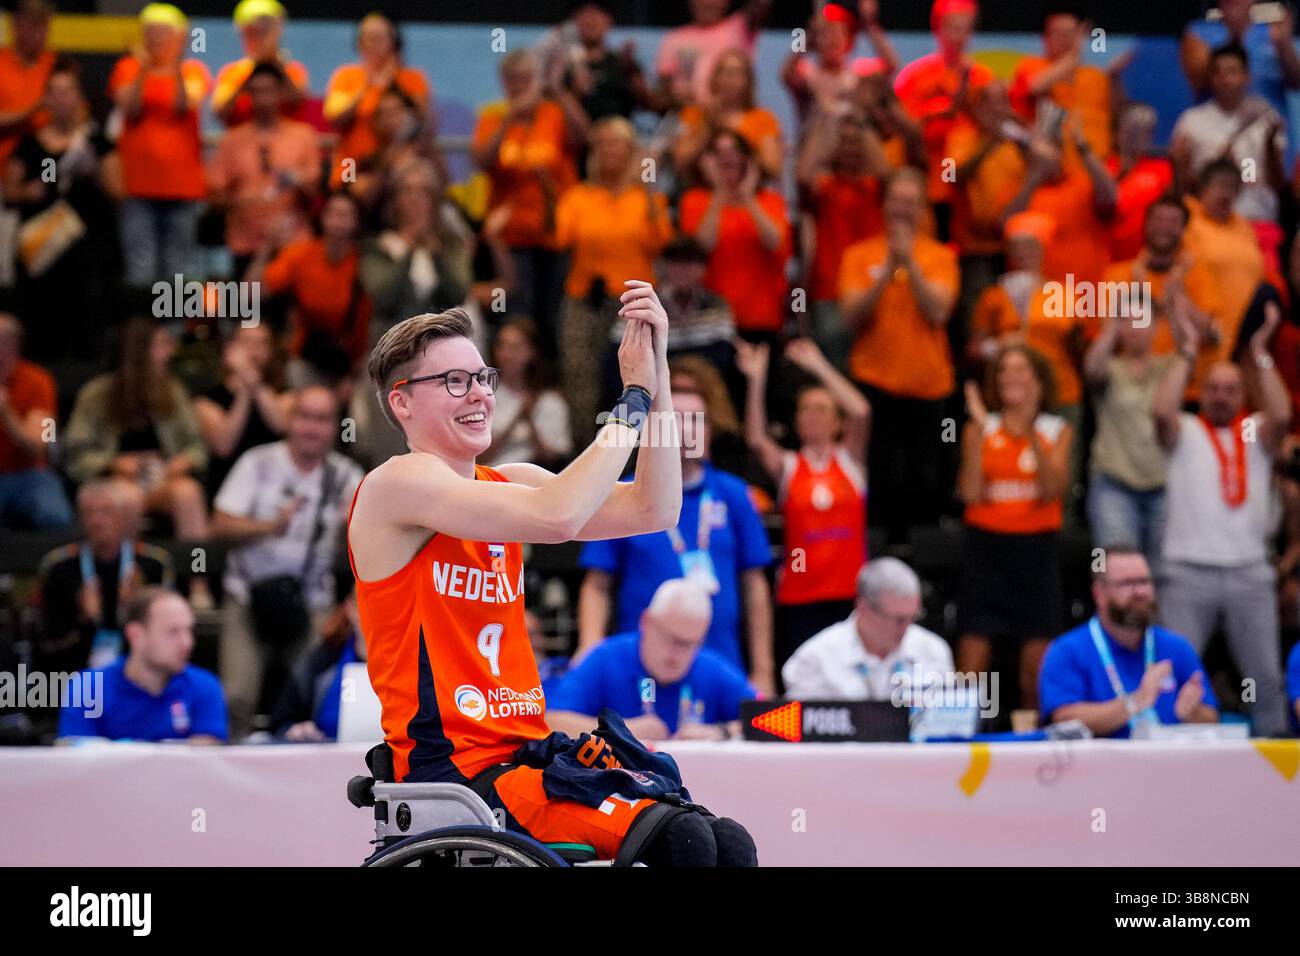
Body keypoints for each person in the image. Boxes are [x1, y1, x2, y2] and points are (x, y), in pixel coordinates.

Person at [348, 290, 756, 865]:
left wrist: (657, 377)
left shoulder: (507, 478)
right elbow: (558, 517)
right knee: (683, 842)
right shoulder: (397, 485)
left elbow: (655, 509)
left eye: (483, 378)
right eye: (455, 382)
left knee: (725, 842)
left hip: (528, 754)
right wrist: (631, 402)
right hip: (459, 770)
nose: (480, 395)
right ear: (404, 402)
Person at [577, 377, 775, 693]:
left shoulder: (735, 495)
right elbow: (598, 583)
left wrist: (763, 670)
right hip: (640, 670)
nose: (686, 430)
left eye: (697, 421)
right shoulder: (622, 492)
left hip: (721, 668)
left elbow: (755, 588)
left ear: (710, 431)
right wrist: (588, 648)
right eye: (675, 420)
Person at [1152, 301, 1290, 736]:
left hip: (1249, 570)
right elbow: (1159, 411)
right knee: (1174, 678)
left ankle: (1278, 776)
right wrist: (1187, 352)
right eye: (1213, 388)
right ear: (1201, 391)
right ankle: (1164, 765)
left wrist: (1260, 352)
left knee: (1264, 679)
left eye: (1231, 389)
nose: (1222, 396)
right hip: (1187, 571)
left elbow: (1283, 415)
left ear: (1243, 395)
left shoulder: (1255, 432)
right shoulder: (1186, 430)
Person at [211, 384, 364, 740]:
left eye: (323, 419)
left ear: (334, 427)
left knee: (311, 695)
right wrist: (271, 525)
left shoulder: (345, 475)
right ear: (289, 420)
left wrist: (349, 527)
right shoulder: (258, 462)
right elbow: (218, 525)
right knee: (237, 697)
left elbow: (369, 544)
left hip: (312, 597)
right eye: (304, 417)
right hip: (248, 594)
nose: (312, 427)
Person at [737, 337, 869, 674]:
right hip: (799, 597)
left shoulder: (850, 462)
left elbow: (860, 410)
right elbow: (755, 438)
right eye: (805, 409)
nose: (812, 416)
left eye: (821, 408)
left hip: (849, 596)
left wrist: (817, 365)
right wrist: (756, 378)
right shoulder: (790, 466)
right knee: (803, 683)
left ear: (837, 422)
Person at [840, 167, 958, 542]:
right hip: (874, 381)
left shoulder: (939, 256)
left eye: (912, 201)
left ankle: (923, 564)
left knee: (925, 476)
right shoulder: (860, 254)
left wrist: (911, 263)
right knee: (879, 472)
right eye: (897, 199)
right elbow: (851, 315)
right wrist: (888, 268)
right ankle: (876, 553)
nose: (903, 208)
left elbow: (938, 311)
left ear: (923, 206)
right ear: (885, 204)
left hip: (928, 384)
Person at [957, 344, 1072, 714]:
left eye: (1021, 369)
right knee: (971, 674)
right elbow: (971, 493)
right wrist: (978, 428)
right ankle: (961, 748)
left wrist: (1030, 429)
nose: (1011, 377)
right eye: (1005, 370)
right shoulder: (979, 427)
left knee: (1032, 679)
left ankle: (1033, 753)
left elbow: (1052, 488)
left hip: (1036, 554)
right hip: (986, 551)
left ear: (1038, 381)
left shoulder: (1056, 430)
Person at [555, 116, 671, 447]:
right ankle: (582, 456)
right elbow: (560, 238)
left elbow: (660, 241)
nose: (609, 150)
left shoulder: (646, 199)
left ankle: (633, 459)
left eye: (617, 142)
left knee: (634, 381)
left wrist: (648, 188)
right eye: (603, 142)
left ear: (631, 149)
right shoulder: (579, 196)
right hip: (585, 301)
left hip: (634, 306)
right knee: (580, 381)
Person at [4, 59, 118, 368]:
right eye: (54, 91)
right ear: (46, 99)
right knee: (40, 325)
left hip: (86, 253)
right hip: (42, 253)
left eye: (67, 91)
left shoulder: (95, 142)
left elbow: (119, 190)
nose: (61, 98)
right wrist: (29, 192)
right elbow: (9, 190)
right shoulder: (30, 144)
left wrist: (92, 171)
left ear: (79, 96)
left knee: (86, 325)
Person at [1039, 546, 1219, 738]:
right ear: (1099, 593)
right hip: (1100, 765)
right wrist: (1135, 701)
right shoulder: (1067, 651)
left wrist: (1192, 713)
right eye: (1127, 583)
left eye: (1144, 581)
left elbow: (1212, 717)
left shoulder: (1176, 647)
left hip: (1167, 762)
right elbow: (1064, 719)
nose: (1140, 592)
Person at [548, 578, 754, 741]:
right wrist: (621, 731)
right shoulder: (605, 660)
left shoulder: (711, 669)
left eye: (689, 644)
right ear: (646, 622)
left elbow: (780, 718)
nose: (677, 654)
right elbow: (550, 723)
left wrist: (722, 731)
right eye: (670, 639)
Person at [470, 49, 582, 348]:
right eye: (512, 80)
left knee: (555, 317)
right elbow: (481, 159)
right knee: (515, 316)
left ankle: (547, 384)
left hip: (556, 233)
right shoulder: (493, 118)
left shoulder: (553, 114)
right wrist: (509, 118)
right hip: (511, 236)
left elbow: (584, 139)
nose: (519, 86)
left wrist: (557, 91)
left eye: (525, 79)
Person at [63, 319, 209, 541]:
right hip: (113, 482)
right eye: (161, 345)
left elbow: (196, 445)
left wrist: (184, 461)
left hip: (163, 478)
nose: (170, 352)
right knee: (128, 498)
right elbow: (74, 454)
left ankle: (198, 573)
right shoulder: (96, 395)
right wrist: (112, 464)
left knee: (188, 493)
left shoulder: (173, 391)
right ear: (139, 351)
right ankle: (130, 573)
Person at [109, 3, 211, 289]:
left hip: (182, 188)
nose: (156, 39)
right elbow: (129, 107)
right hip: (138, 186)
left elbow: (184, 103)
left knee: (177, 268)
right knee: (140, 266)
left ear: (178, 37)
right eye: (150, 33)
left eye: (164, 33)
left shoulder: (192, 70)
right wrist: (144, 67)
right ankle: (142, 332)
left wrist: (175, 61)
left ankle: (172, 332)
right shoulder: (128, 68)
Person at [57, 587, 227, 743]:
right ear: (136, 635)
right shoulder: (89, 687)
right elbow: (75, 760)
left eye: (189, 630)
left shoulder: (205, 686)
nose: (187, 643)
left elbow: (205, 762)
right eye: (173, 632)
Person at [1171, 42, 1286, 266]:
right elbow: (1185, 187)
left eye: (1232, 71)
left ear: (1247, 76)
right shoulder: (1191, 121)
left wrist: (1269, 149)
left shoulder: (1266, 116)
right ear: (1211, 78)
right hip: (1209, 229)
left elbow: (1276, 183)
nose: (1224, 78)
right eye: (1218, 72)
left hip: (1257, 222)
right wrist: (1190, 167)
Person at [1082, 305, 1174, 575]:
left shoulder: (1168, 365)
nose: (1134, 327)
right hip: (1113, 484)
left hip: (1162, 484)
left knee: (1160, 574)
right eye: (1127, 320)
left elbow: (1191, 350)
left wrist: (1173, 299)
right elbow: (1091, 370)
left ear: (1156, 326)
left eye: (1141, 320)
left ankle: (1156, 620)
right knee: (1112, 569)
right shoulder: (1110, 368)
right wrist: (1112, 327)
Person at [206, 61, 321, 275]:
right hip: (245, 244)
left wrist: (296, 181)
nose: (263, 99)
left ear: (280, 93)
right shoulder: (232, 140)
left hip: (293, 243)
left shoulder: (304, 136)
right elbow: (214, 197)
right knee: (246, 306)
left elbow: (316, 192)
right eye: (256, 91)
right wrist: (239, 202)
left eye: (269, 91)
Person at [248, 191, 371, 389]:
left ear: (357, 222)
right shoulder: (302, 255)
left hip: (356, 361)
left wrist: (357, 370)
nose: (338, 222)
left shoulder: (367, 262)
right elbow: (253, 292)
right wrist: (267, 248)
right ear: (321, 218)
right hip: (309, 355)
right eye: (333, 213)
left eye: (346, 215)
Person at [783, 558, 954, 700]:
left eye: (913, 617)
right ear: (863, 608)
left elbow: (948, 730)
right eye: (898, 619)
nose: (906, 628)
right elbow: (804, 735)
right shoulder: (814, 660)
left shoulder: (933, 651)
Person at [796, 110, 892, 364]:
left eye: (855, 142)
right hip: (830, 289)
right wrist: (825, 121)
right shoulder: (826, 187)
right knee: (835, 359)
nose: (850, 148)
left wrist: (861, 120)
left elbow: (884, 169)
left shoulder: (874, 187)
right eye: (844, 142)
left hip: (872, 286)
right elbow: (804, 175)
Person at [680, 128, 791, 345]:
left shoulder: (769, 200)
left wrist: (748, 197)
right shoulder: (695, 201)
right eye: (719, 152)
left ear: (747, 159)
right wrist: (718, 193)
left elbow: (774, 242)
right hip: (709, 316)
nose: (727, 157)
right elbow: (701, 248)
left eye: (733, 150)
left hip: (760, 316)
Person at [892, 0, 994, 236]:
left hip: (968, 188)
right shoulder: (914, 76)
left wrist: (969, 109)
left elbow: (992, 129)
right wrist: (937, 112)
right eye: (952, 27)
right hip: (924, 182)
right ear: (938, 28)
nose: (959, 36)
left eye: (965, 28)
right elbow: (901, 127)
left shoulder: (981, 78)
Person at [323, 13, 431, 191]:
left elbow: (425, 122)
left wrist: (394, 81)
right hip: (352, 166)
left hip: (400, 168)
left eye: (380, 37)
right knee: (352, 194)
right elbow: (334, 117)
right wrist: (368, 87)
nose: (374, 43)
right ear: (359, 43)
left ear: (394, 42)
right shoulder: (346, 76)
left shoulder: (412, 79)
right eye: (368, 37)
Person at [193, 322, 290, 502]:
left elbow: (282, 426)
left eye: (262, 343)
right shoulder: (207, 400)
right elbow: (224, 446)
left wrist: (252, 382)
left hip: (275, 489)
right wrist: (245, 392)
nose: (254, 350)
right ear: (230, 350)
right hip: (227, 489)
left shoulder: (285, 395)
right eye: (247, 342)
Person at [1009, 3, 1112, 158]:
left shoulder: (1096, 75)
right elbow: (1036, 86)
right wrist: (1075, 54)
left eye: (1069, 33)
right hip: (1053, 160)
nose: (1064, 39)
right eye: (1057, 33)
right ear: (1045, 36)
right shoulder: (1031, 65)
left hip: (1096, 162)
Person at [0, 313, 71, 529]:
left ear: (12, 344)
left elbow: (39, 445)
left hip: (29, 473)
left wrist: (5, 413)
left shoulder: (38, 381)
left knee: (54, 516)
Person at [672, 47, 785, 182]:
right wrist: (708, 126)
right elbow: (680, 162)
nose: (730, 79)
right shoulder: (694, 114)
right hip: (703, 192)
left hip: (747, 194)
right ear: (714, 78)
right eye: (725, 72)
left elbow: (773, 167)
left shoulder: (763, 118)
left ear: (748, 81)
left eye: (737, 73)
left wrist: (737, 151)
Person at [782, 2, 898, 132]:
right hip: (816, 145)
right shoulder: (807, 73)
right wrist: (807, 37)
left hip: (851, 144)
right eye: (826, 33)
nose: (832, 38)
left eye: (838, 33)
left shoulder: (859, 73)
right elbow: (786, 74)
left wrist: (870, 24)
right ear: (816, 40)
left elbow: (892, 66)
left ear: (848, 39)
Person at [271, 591, 366, 742]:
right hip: (326, 757)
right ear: (350, 609)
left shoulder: (414, 660)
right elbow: (281, 723)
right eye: (370, 605)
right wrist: (296, 730)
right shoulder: (320, 661)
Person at [1181, 0, 1300, 121]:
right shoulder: (1199, 32)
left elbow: (1296, 82)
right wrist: (1235, 34)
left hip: (1270, 129)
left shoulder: (1271, 32)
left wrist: (1283, 45)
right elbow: (1199, 79)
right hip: (1218, 130)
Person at [481, 319, 571, 469]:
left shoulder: (550, 400)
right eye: (502, 346)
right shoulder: (484, 395)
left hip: (536, 476)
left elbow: (555, 460)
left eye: (515, 347)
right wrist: (517, 418)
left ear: (532, 352)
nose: (507, 354)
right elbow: (480, 457)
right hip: (492, 476)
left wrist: (530, 421)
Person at [655, 0, 773, 109]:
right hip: (685, 119)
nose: (708, 3)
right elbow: (663, 93)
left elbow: (762, 4)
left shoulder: (740, 29)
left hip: (732, 119)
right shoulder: (674, 38)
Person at [210, 0, 309, 127]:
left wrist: (273, 61)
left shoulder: (293, 70)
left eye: (266, 30)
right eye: (253, 31)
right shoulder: (233, 72)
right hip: (244, 143)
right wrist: (254, 69)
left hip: (285, 144)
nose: (260, 37)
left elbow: (297, 101)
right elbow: (220, 111)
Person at [1105, 102, 1175, 263]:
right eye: (1132, 131)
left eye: (1146, 131)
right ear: (1116, 133)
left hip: (1147, 257)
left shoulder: (1162, 169)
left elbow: (1172, 209)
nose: (1138, 137)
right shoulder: (1105, 167)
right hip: (1110, 256)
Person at [0, 0, 56, 170]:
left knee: (50, 187)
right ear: (17, 25)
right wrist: (33, 110)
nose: (41, 34)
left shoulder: (56, 64)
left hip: (46, 163)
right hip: (4, 165)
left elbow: (79, 114)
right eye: (35, 26)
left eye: (45, 27)